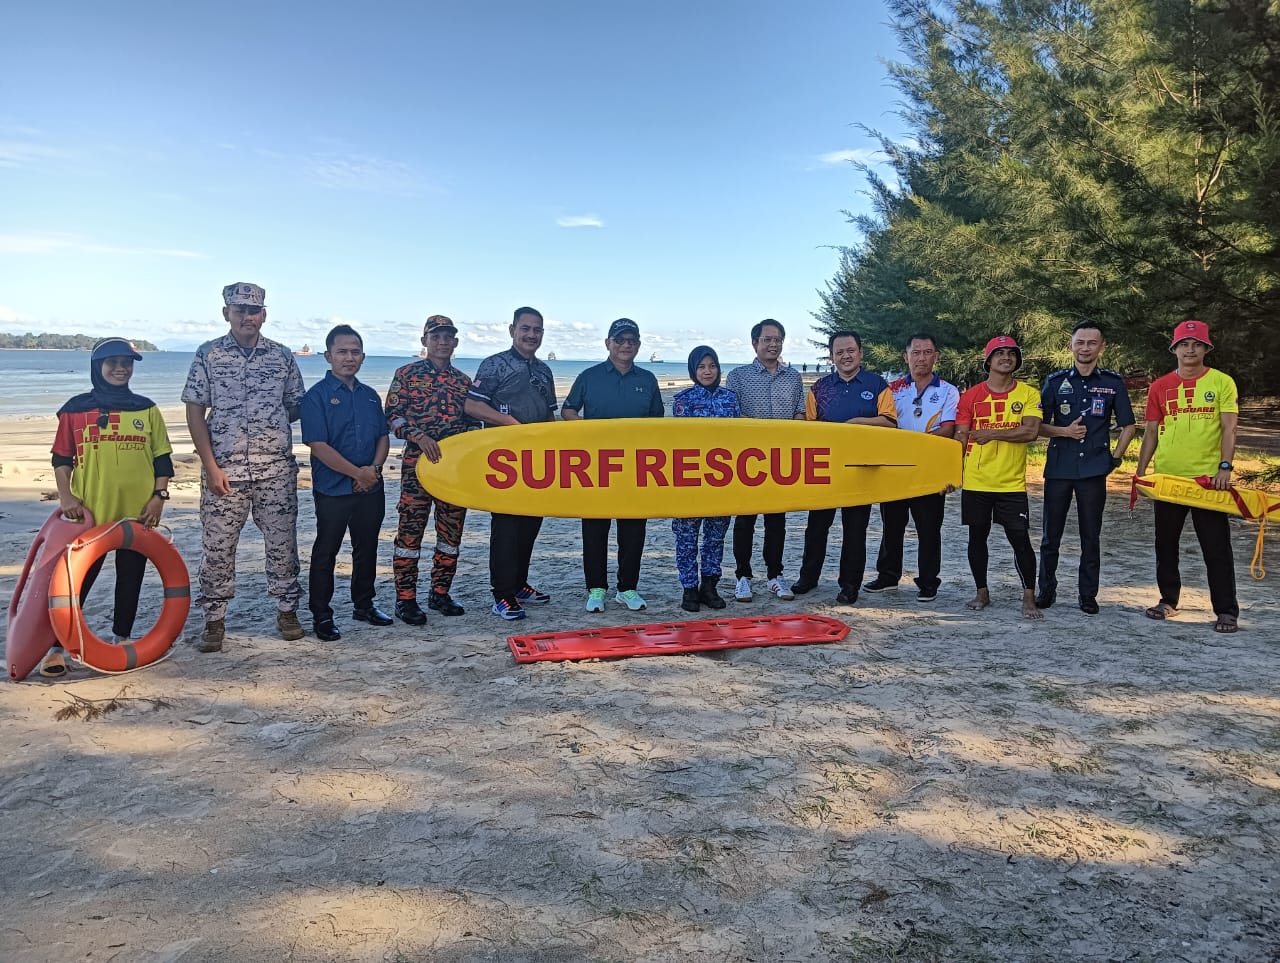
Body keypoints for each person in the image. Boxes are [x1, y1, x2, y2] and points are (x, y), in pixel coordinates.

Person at [40, 338, 173, 677]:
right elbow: (61, 458)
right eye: (112, 362)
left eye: (127, 362)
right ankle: (57, 648)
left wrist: (159, 497)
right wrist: (66, 496)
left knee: (130, 579)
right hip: (90, 513)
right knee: (76, 580)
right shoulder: (75, 409)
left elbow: (162, 459)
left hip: (138, 512)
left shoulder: (146, 408)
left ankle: (121, 640)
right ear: (97, 367)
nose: (120, 368)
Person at [183, 282, 306, 651]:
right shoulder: (209, 355)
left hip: (276, 473)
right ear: (226, 314)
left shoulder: (282, 357)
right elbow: (194, 410)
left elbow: (296, 405)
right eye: (240, 310)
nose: (247, 317)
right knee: (218, 548)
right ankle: (214, 619)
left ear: (264, 315)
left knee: (283, 545)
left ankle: (287, 610)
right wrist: (210, 465)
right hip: (225, 474)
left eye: (254, 311)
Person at [1135, 320, 1240, 633]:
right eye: (1184, 344)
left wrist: (1225, 466)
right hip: (1168, 478)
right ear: (1174, 349)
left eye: (1196, 344)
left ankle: (1226, 610)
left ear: (1206, 348)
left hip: (1208, 479)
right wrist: (1142, 473)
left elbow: (1229, 428)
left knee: (1216, 546)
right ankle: (1168, 600)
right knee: (1165, 544)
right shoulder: (1160, 387)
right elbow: (1151, 432)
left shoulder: (1222, 383)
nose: (1190, 350)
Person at [562, 318, 664, 612]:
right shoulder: (589, 376)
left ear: (639, 345)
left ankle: (627, 588)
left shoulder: (647, 379)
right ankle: (596, 589)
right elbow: (568, 409)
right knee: (595, 528)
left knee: (633, 530)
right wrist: (585, 430)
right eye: (619, 340)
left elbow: (657, 421)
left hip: (636, 467)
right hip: (595, 467)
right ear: (608, 343)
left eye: (631, 340)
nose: (625, 345)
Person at [464, 307, 559, 621]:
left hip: (536, 460)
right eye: (526, 329)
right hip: (503, 460)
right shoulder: (494, 365)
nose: (531, 335)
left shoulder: (544, 370)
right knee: (506, 527)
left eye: (537, 330)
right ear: (512, 330)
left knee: (530, 525)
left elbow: (549, 416)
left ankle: (519, 585)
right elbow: (472, 404)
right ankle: (502, 595)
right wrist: (507, 422)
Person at [1036, 322, 1136, 614]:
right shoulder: (1055, 382)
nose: (1085, 348)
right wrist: (1064, 432)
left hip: (1093, 470)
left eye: (1092, 343)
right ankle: (1046, 591)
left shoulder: (1113, 383)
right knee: (1049, 535)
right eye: (1080, 342)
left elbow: (1129, 425)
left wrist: (1114, 459)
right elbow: (1037, 426)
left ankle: (1087, 595)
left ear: (1101, 347)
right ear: (1071, 346)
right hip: (1059, 468)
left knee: (1090, 535)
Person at [300, 325, 391, 642]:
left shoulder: (369, 396)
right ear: (328, 356)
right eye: (342, 351)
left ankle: (364, 605)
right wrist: (357, 474)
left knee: (366, 549)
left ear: (363, 357)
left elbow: (382, 436)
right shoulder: (316, 397)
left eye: (355, 352)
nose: (349, 358)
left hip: (371, 487)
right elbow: (318, 444)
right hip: (333, 490)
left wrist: (374, 470)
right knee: (326, 552)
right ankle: (322, 616)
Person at [791, 330, 896, 604]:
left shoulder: (877, 385)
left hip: (861, 469)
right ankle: (808, 578)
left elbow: (890, 422)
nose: (845, 356)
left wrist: (858, 422)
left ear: (860, 353)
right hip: (825, 469)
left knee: (854, 530)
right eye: (839, 352)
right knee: (816, 528)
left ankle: (850, 585)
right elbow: (809, 430)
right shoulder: (819, 388)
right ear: (831, 357)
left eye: (850, 350)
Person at [385, 315, 473, 624]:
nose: (443, 341)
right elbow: (392, 416)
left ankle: (440, 593)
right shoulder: (406, 374)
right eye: (436, 336)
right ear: (425, 341)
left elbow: (473, 425)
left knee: (450, 536)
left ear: (456, 342)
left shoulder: (463, 382)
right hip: (416, 468)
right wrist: (418, 435)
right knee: (410, 537)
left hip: (453, 473)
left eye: (448, 336)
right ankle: (405, 599)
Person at [864, 332, 960, 602]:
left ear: (936, 356)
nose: (921, 358)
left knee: (929, 529)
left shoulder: (948, 391)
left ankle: (928, 581)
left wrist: (914, 446)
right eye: (915, 353)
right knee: (891, 525)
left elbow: (949, 429)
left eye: (927, 352)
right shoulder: (892, 389)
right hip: (895, 469)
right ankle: (888, 576)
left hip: (929, 470)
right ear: (906, 357)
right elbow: (884, 423)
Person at [955, 336, 1044, 620]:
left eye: (1011, 353)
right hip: (976, 481)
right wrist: (950, 474)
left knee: (1020, 540)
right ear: (988, 361)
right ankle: (982, 591)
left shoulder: (1029, 394)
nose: (1006, 357)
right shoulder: (970, 396)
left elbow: (1030, 432)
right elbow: (959, 438)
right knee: (976, 539)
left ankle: (1029, 596)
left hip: (1011, 483)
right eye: (999, 353)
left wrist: (992, 433)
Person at [724, 319, 805, 602]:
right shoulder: (738, 376)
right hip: (747, 460)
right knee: (744, 520)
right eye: (767, 339)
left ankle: (775, 575)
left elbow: (800, 413)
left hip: (781, 461)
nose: (773, 344)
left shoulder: (793, 377)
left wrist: (786, 435)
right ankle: (742, 576)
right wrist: (765, 433)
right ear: (754, 343)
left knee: (776, 521)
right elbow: (732, 414)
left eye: (778, 339)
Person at [671, 346, 741, 611]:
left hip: (721, 482)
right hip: (690, 482)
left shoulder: (730, 399)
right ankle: (689, 589)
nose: (707, 371)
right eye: (701, 366)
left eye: (711, 365)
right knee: (686, 537)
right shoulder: (683, 400)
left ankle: (709, 587)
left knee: (715, 537)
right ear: (693, 371)